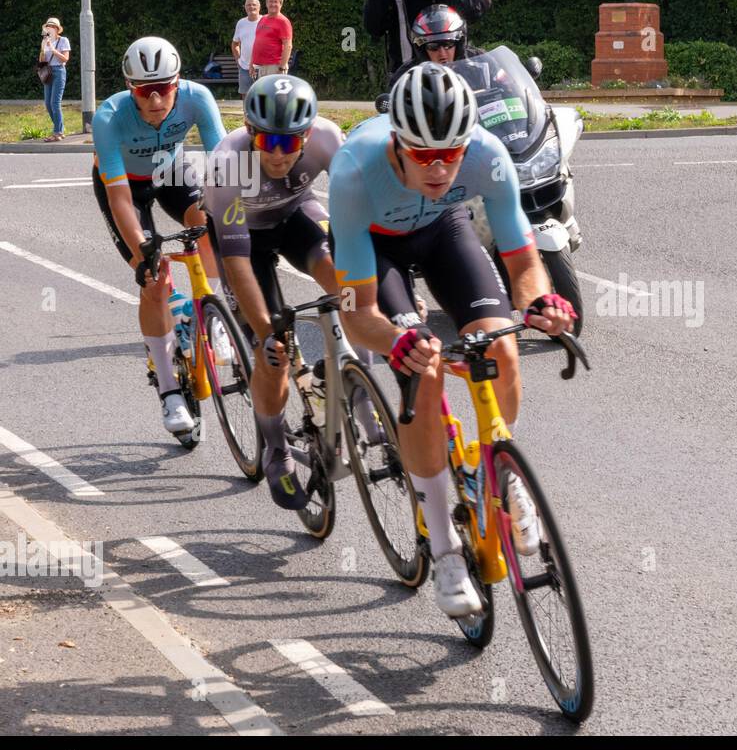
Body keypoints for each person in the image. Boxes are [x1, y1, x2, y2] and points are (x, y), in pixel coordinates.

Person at [328, 62, 576, 616]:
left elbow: (523, 258)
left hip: (444, 231)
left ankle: (492, 465)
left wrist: (539, 301)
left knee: (501, 346)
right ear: (397, 143)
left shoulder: (487, 154)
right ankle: (443, 550)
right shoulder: (352, 171)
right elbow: (355, 311)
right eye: (423, 155)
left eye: (452, 153)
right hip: (377, 249)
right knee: (422, 370)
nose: (440, 168)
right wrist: (394, 340)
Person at [204, 74, 360, 509]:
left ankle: (347, 372)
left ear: (307, 135)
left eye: (290, 143)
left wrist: (366, 299)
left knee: (342, 278)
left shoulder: (328, 138)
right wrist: (267, 330)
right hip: (242, 241)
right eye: (267, 140)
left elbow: (358, 218)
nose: (277, 153)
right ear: (251, 132)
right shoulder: (228, 163)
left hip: (294, 216)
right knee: (273, 351)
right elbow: (234, 262)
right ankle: (276, 447)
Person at [91, 37, 228, 438]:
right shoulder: (109, 117)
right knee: (154, 281)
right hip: (125, 187)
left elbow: (222, 165)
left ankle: (216, 317)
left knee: (210, 223)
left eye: (163, 89)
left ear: (177, 82)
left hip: (171, 172)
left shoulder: (197, 98)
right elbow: (118, 199)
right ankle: (169, 392)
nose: (154, 100)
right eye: (143, 91)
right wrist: (143, 249)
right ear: (130, 89)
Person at [385, 4, 483, 88]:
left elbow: (498, 80)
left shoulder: (480, 62)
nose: (442, 54)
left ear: (459, 43)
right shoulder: (406, 76)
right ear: (422, 49)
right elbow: (391, 103)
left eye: (448, 45)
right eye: (433, 47)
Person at [39, 17, 71, 142]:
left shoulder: (63, 40)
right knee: (48, 103)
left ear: (57, 29)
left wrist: (52, 49)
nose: (49, 28)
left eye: (52, 26)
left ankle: (57, 132)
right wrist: (43, 48)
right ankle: (59, 129)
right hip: (48, 72)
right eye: (48, 26)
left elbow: (65, 59)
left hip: (59, 71)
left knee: (55, 103)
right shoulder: (44, 41)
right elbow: (42, 61)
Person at [251, 0, 292, 81]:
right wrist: (251, 64)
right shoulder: (262, 19)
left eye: (275, 2)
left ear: (280, 4)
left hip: (275, 67)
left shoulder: (283, 21)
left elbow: (288, 46)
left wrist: (281, 67)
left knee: (275, 95)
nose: (272, 4)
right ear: (266, 3)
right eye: (270, 1)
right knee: (263, 95)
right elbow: (256, 42)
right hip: (260, 67)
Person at [231, 0, 261, 95]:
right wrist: (238, 61)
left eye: (254, 4)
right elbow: (235, 44)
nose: (251, 7)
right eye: (248, 5)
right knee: (246, 95)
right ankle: (246, 111)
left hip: (263, 67)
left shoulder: (265, 21)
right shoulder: (241, 23)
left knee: (263, 96)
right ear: (245, 7)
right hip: (244, 67)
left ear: (259, 7)